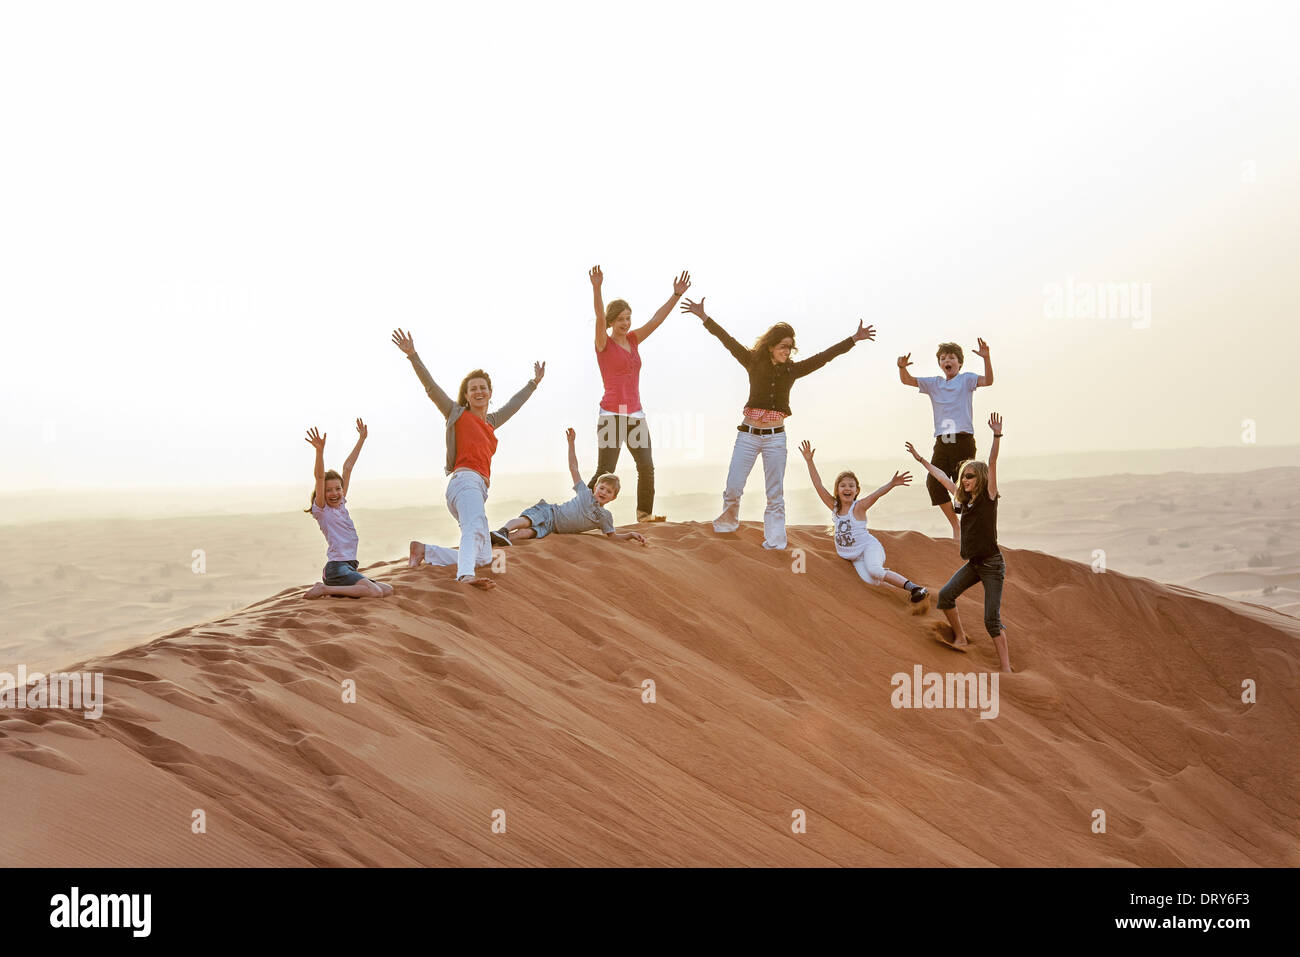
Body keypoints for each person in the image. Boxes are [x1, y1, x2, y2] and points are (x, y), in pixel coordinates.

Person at [680, 295, 874, 549]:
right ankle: (727, 525)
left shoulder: (791, 370)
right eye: (783, 346)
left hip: (775, 437)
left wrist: (853, 339)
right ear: (771, 345)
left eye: (790, 347)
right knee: (733, 486)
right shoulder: (752, 360)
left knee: (775, 493)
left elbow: (824, 357)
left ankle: (775, 540)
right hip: (748, 435)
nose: (787, 351)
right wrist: (704, 317)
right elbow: (727, 341)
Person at [392, 327, 544, 589]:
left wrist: (533, 383)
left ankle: (424, 551)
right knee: (472, 529)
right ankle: (464, 576)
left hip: (478, 489)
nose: (478, 391)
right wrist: (413, 355)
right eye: (473, 388)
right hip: (464, 482)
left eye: (483, 388)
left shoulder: (492, 422)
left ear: (489, 392)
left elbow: (514, 404)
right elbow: (431, 388)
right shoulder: (457, 414)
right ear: (466, 394)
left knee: (484, 556)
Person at [906, 412, 1012, 672]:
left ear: (982, 479)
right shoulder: (963, 500)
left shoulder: (988, 497)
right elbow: (942, 477)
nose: (965, 480)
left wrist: (996, 435)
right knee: (945, 597)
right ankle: (961, 636)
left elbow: (993, 461)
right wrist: (921, 460)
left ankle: (1007, 668)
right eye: (964, 475)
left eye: (971, 476)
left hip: (992, 566)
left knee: (991, 620)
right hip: (974, 564)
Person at [588, 264, 690, 522]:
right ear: (612, 321)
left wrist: (675, 295)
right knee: (605, 469)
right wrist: (597, 288)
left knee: (646, 466)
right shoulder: (604, 343)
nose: (626, 323)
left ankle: (644, 514)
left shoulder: (633, 340)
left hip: (635, 414)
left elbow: (656, 320)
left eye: (628, 318)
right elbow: (599, 317)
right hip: (612, 414)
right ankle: (582, 509)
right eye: (621, 318)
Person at [799, 439, 929, 605]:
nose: (847, 488)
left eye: (851, 486)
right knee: (871, 581)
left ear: (857, 490)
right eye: (843, 485)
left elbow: (876, 495)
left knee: (875, 570)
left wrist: (892, 483)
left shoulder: (858, 508)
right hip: (854, 557)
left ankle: (915, 588)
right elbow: (818, 486)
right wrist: (809, 461)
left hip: (869, 547)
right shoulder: (834, 507)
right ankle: (901, 591)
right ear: (837, 490)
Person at [897, 338, 993, 541]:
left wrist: (986, 358)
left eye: (951, 357)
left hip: (964, 439)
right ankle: (955, 525)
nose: (947, 360)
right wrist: (901, 368)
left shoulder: (966, 379)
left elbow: (988, 381)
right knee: (934, 482)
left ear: (959, 362)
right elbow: (907, 380)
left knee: (967, 487)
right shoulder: (934, 383)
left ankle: (973, 527)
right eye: (943, 358)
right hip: (943, 440)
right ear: (940, 363)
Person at [490, 428, 647, 546]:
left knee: (526, 533)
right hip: (550, 513)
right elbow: (574, 468)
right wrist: (571, 443)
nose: (604, 492)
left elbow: (612, 537)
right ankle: (503, 530)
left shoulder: (605, 517)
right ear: (595, 488)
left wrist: (631, 534)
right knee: (526, 521)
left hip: (552, 528)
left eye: (609, 491)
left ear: (614, 497)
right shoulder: (585, 494)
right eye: (602, 488)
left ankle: (497, 543)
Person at [303, 421, 393, 599]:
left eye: (338, 488)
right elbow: (320, 477)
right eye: (329, 490)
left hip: (350, 567)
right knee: (375, 592)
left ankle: (334, 589)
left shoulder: (341, 505)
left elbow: (348, 467)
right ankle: (325, 589)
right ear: (322, 493)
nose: (334, 493)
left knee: (388, 589)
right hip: (336, 568)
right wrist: (319, 452)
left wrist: (361, 439)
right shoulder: (322, 510)